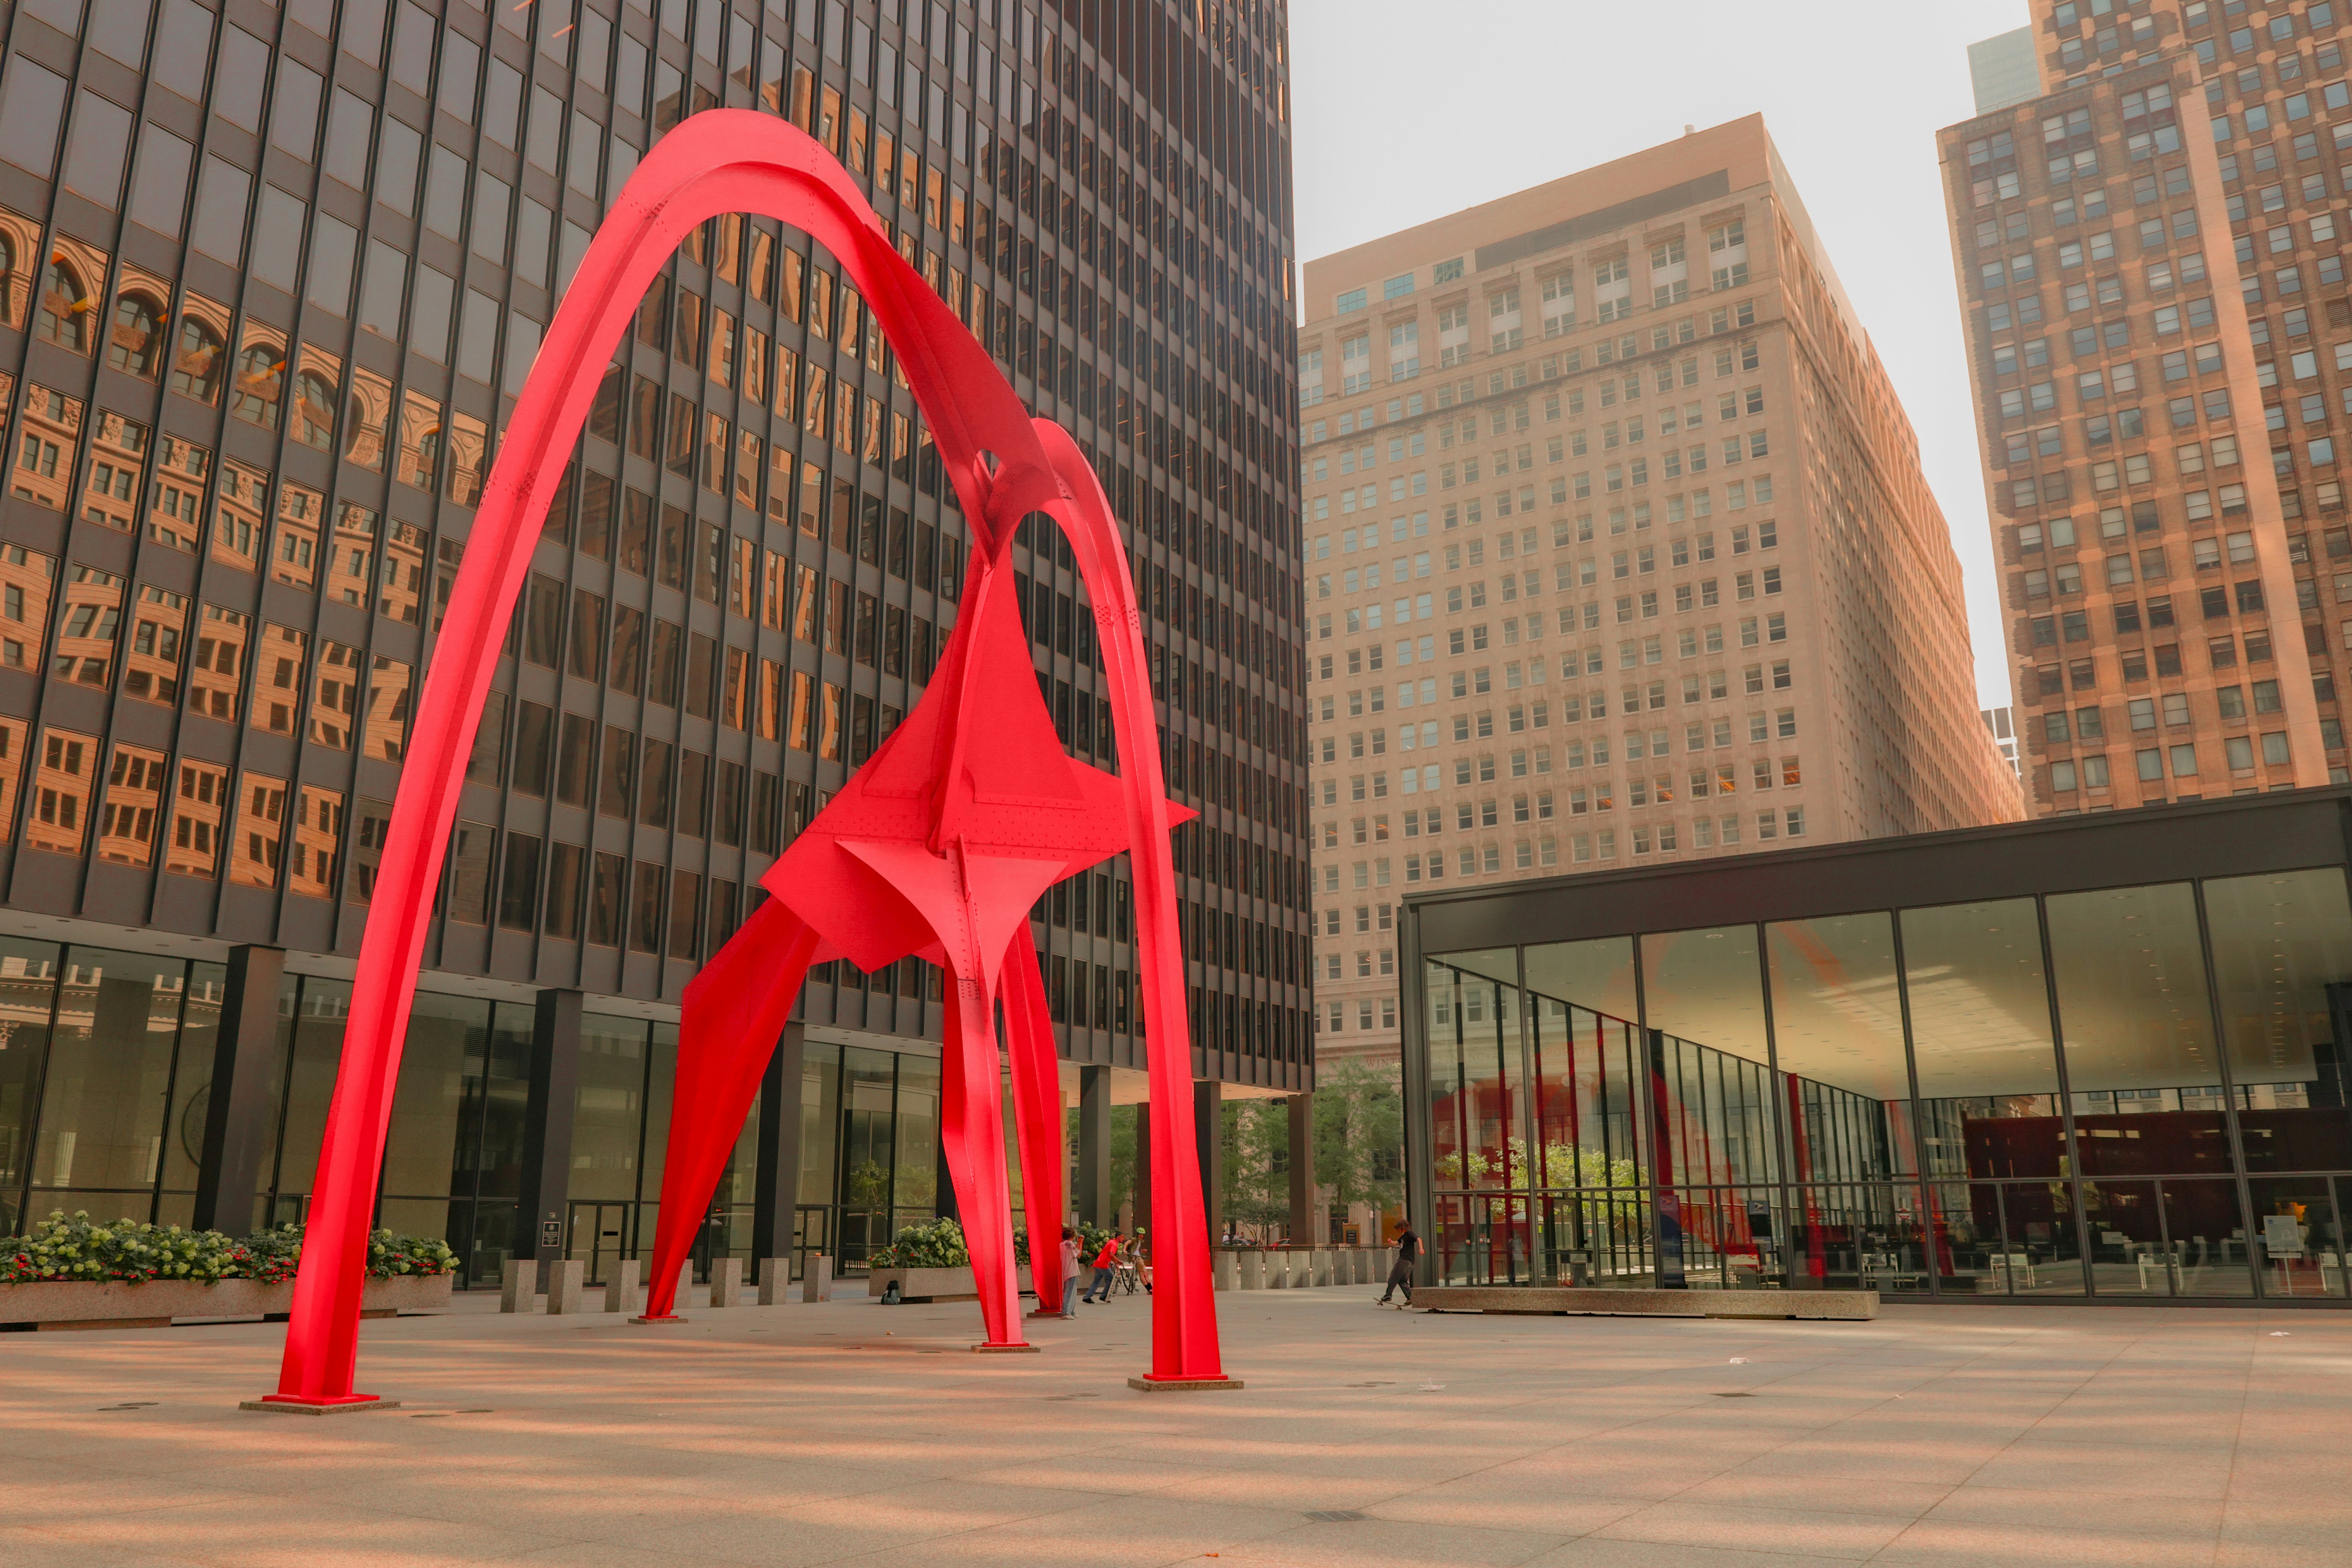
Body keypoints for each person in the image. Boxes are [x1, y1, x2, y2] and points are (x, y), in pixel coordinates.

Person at [1377, 1224, 1421, 1308]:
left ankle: (1388, 1296)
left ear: (1402, 1227)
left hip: (1405, 1259)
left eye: (1399, 1229)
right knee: (1402, 1280)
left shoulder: (1410, 1233)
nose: (1398, 1230)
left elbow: (1419, 1239)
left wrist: (1421, 1248)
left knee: (1393, 1277)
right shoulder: (1404, 1237)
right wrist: (1391, 1242)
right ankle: (1411, 1296)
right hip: (1410, 1261)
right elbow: (1396, 1243)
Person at [1082, 1231, 1120, 1303]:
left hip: (1099, 1263)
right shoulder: (1114, 1244)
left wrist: (1117, 1263)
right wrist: (1118, 1261)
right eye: (1122, 1237)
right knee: (1111, 1279)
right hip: (1103, 1264)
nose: (1123, 1238)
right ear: (1118, 1237)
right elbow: (1112, 1254)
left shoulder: (1111, 1242)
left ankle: (1087, 1297)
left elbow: (1110, 1255)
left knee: (1097, 1281)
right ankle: (1104, 1296)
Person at [1057, 1226, 1082, 1317]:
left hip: (1066, 1269)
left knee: (1070, 1291)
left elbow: (1075, 1252)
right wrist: (1080, 1243)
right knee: (1071, 1292)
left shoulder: (1063, 1244)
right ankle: (1067, 1312)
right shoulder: (1070, 1244)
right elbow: (1079, 1254)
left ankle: (1070, 1311)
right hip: (1072, 1270)